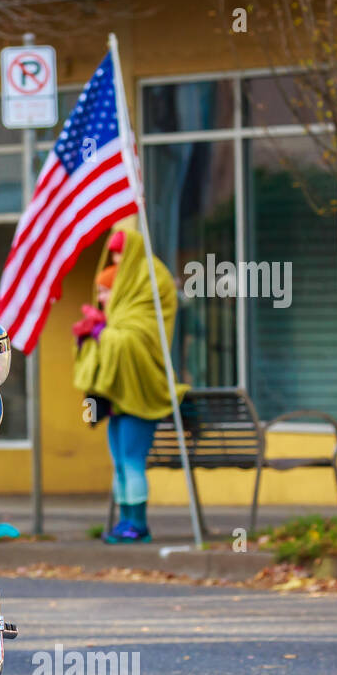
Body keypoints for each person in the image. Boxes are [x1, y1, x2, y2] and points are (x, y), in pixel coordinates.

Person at [73, 228, 186, 543]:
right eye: (114, 256)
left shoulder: (150, 287)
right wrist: (93, 334)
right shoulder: (124, 302)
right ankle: (126, 521)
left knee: (132, 460)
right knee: (120, 462)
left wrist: (102, 333)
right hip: (117, 398)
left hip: (141, 395)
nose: (118, 261)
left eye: (122, 254)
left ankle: (137, 524)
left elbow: (134, 342)